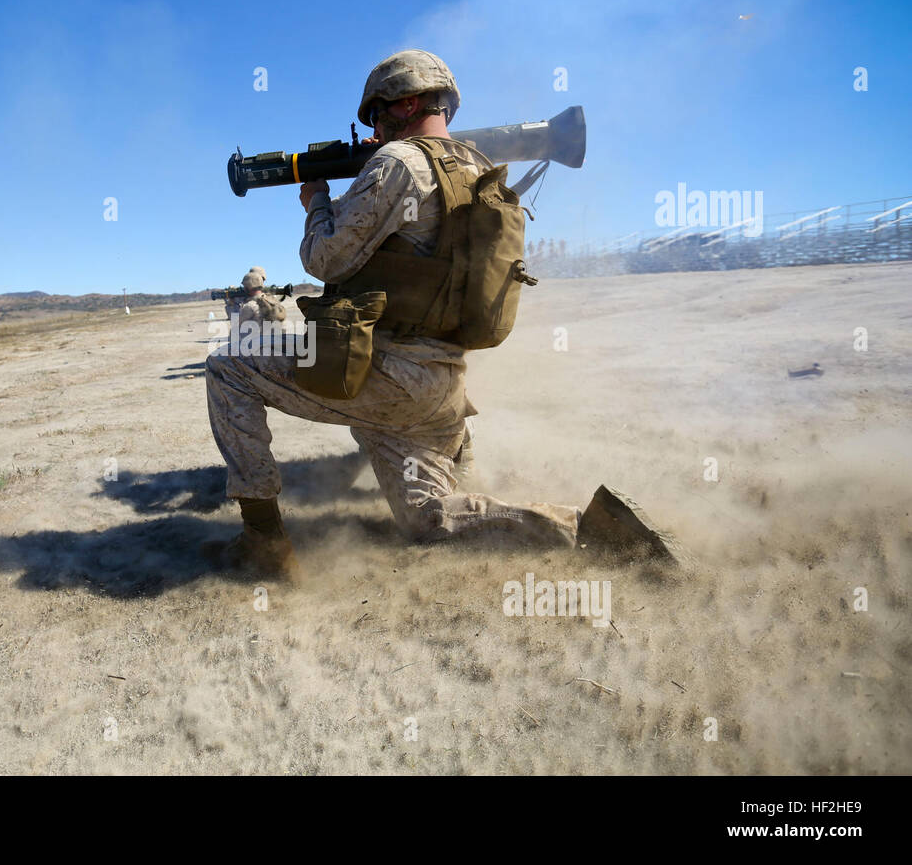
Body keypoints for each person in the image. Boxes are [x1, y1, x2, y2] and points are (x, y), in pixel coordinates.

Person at [204, 50, 680, 578]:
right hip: (441, 387)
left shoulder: (396, 165)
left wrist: (317, 201)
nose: (376, 131)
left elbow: (325, 257)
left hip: (383, 376)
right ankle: (587, 528)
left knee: (231, 366)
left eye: (378, 117)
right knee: (430, 523)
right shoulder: (477, 167)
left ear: (404, 104)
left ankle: (264, 544)